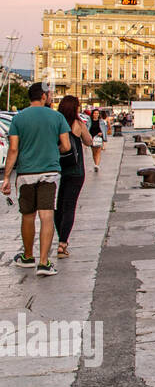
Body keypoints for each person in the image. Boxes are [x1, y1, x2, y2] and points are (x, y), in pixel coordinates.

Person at [2, 83, 71, 275]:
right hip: (49, 172)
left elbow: (13, 149)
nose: (50, 97)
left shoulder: (19, 118)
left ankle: (27, 256)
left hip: (26, 173)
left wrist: (7, 177)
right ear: (43, 96)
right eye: (49, 95)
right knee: (46, 215)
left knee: (28, 215)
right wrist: (52, 150)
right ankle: (43, 263)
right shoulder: (57, 117)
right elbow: (66, 146)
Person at [54, 96, 92, 259]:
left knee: (58, 206)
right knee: (70, 206)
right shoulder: (78, 124)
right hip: (76, 171)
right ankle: (63, 243)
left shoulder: (56, 123)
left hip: (57, 170)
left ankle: (60, 236)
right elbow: (89, 141)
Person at [87, 107, 105, 172]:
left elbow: (104, 130)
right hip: (92, 138)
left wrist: (103, 136)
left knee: (98, 151)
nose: (96, 114)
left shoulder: (101, 121)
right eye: (95, 113)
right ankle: (95, 164)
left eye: (97, 113)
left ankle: (97, 165)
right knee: (94, 152)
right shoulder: (89, 121)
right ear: (92, 114)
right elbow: (87, 129)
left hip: (99, 138)